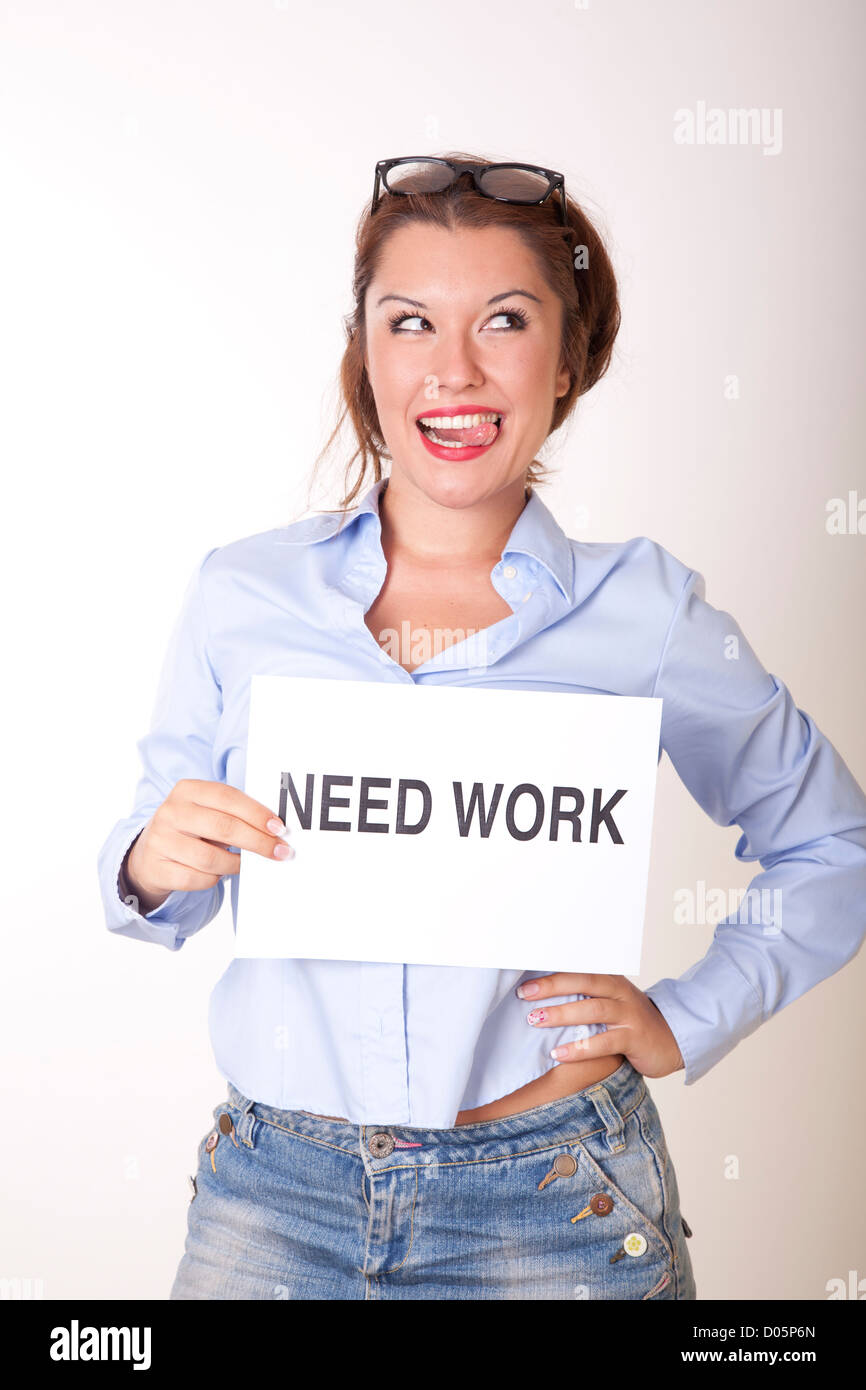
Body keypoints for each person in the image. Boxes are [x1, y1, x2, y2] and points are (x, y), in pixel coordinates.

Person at [97, 152, 866, 1301]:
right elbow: (155, 874)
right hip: (277, 1196)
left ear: (567, 357)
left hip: (554, 1202)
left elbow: (830, 847)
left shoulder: (646, 611)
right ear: (364, 353)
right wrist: (151, 862)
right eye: (409, 321)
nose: (451, 368)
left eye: (503, 320)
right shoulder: (239, 594)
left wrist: (685, 1017)